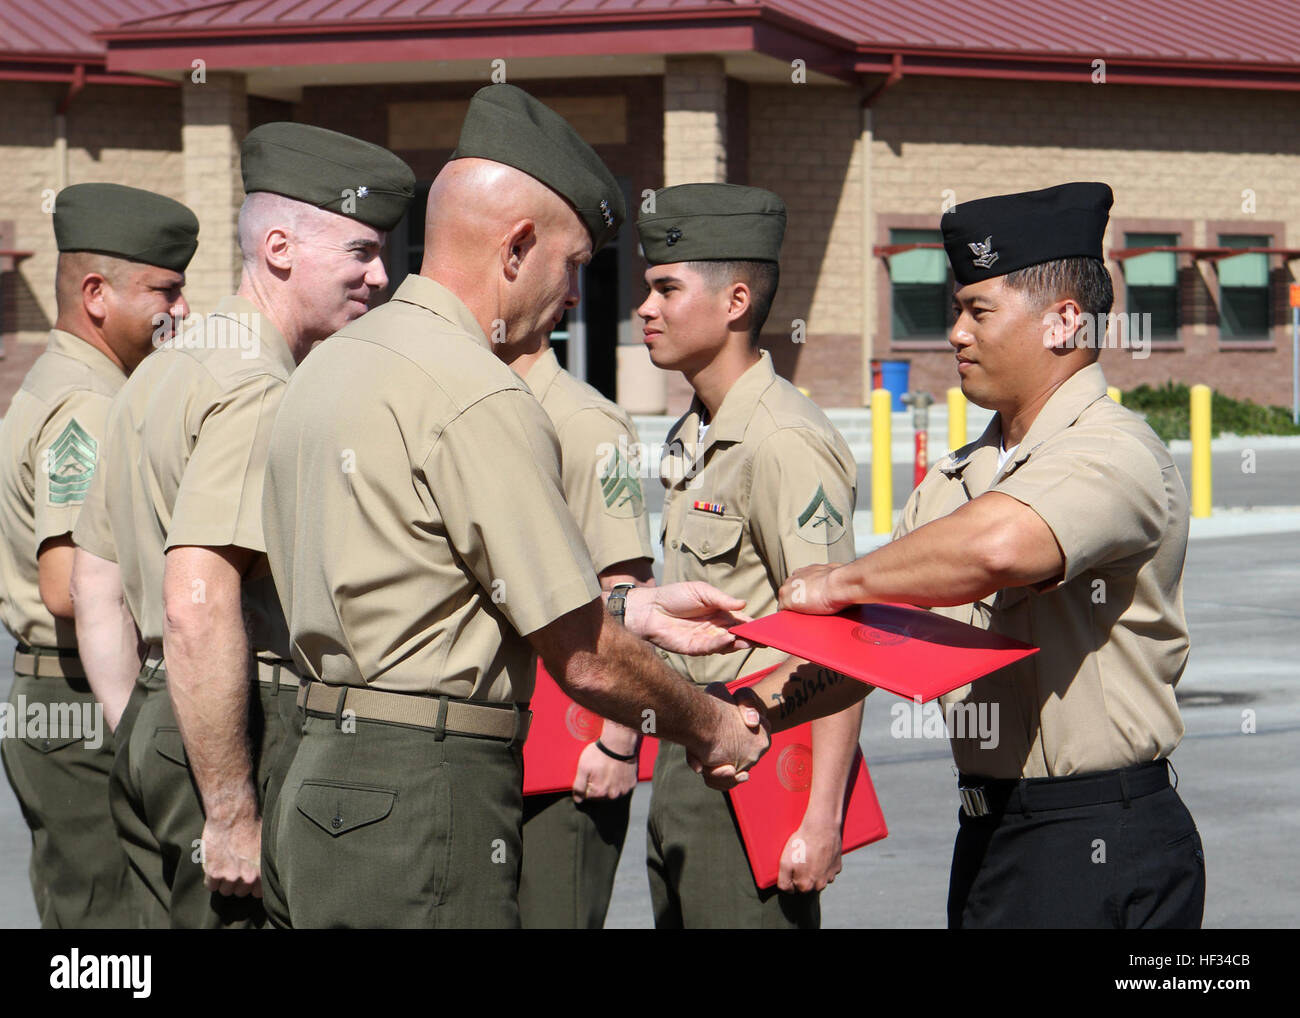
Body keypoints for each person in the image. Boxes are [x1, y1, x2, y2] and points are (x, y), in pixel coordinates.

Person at [260, 84, 769, 929]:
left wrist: (631, 606)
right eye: (570, 267)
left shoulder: (331, 365)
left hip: (315, 763)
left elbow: (433, 579)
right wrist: (712, 724)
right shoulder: (476, 393)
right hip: (424, 784)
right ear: (517, 246)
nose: (572, 297)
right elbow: (585, 660)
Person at [739, 182, 1205, 929]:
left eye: (978, 310)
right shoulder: (960, 478)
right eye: (956, 309)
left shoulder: (1115, 453)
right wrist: (748, 713)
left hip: (1095, 838)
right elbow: (875, 634)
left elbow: (999, 546)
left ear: (1064, 322)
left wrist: (837, 580)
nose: (955, 333)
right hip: (992, 836)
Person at [69, 123, 414, 928]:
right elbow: (197, 602)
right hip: (233, 721)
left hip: (169, 717)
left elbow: (97, 579)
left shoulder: (164, 369)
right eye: (361, 252)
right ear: (283, 247)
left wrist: (140, 731)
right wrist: (228, 812)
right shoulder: (257, 388)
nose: (381, 276)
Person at [635, 183, 863, 928]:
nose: (646, 308)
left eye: (667, 289)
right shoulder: (694, 432)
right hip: (687, 754)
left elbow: (840, 640)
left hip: (761, 771)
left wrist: (822, 815)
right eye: (647, 289)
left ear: (736, 302)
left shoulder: (782, 440)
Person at [0, 183, 197, 927]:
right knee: (109, 930)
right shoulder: (90, 405)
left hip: (68, 694)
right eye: (164, 290)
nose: (179, 311)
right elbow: (67, 585)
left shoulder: (69, 382)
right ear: (96, 294)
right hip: (83, 697)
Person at [502, 331, 656, 929]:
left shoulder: (585, 422)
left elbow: (625, 589)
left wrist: (619, 740)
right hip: (497, 743)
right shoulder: (483, 407)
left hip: (570, 755)